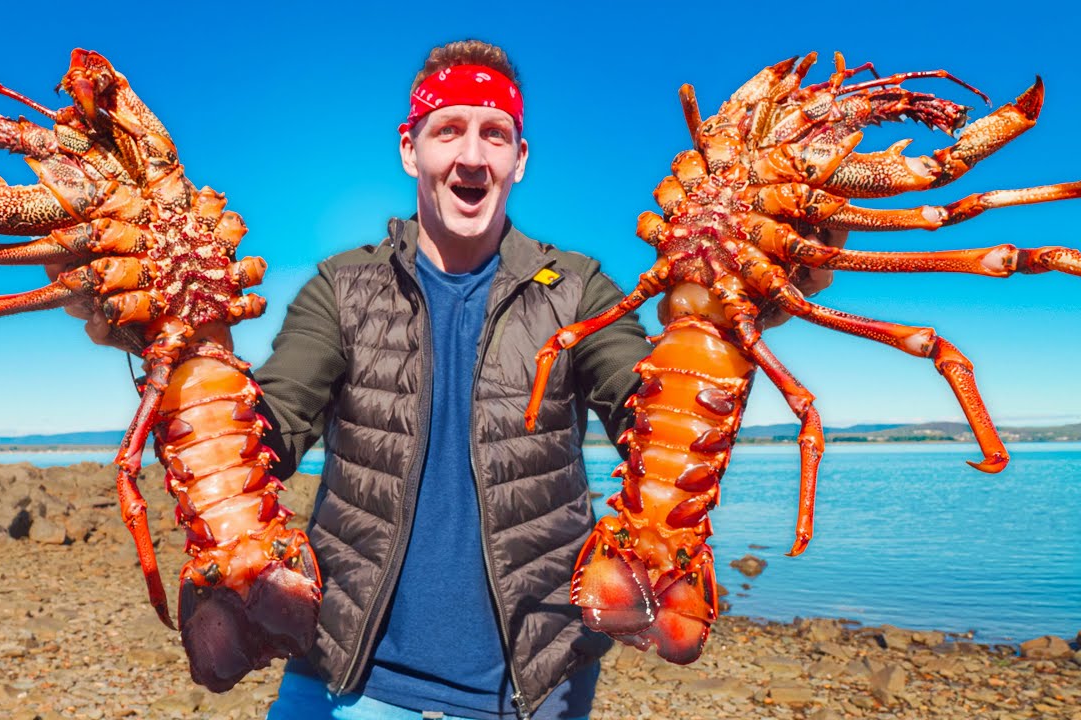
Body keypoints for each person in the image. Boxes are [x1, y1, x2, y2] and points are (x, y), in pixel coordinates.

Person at [68, 39, 841, 720]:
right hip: (345, 683)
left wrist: (729, 322)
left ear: (519, 158)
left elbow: (647, 415)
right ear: (411, 149)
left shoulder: (578, 289)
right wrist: (170, 352)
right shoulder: (342, 288)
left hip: (533, 690)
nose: (472, 155)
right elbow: (268, 429)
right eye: (449, 130)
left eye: (493, 134)